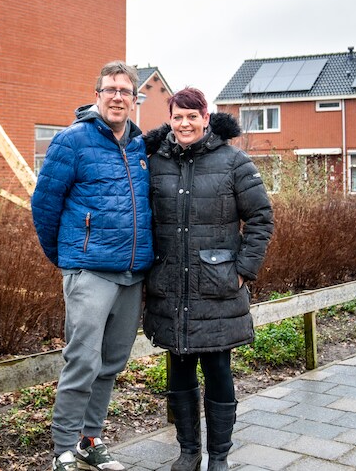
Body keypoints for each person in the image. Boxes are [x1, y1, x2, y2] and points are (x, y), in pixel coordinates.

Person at [142, 87, 274, 471]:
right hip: (171, 287)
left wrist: (243, 271)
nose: (184, 124)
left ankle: (219, 456)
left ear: (205, 117)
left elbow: (261, 218)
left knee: (218, 370)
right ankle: (188, 452)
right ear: (170, 119)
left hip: (216, 287)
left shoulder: (234, 161)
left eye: (191, 116)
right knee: (179, 369)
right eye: (177, 117)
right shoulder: (155, 162)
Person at [32, 61, 154, 471]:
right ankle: (63, 448)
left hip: (132, 273)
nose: (118, 96)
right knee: (83, 360)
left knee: (112, 362)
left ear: (134, 99)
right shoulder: (72, 141)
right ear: (97, 94)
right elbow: (44, 205)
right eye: (111, 89)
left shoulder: (139, 146)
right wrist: (69, 259)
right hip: (90, 271)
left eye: (125, 91)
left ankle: (89, 439)